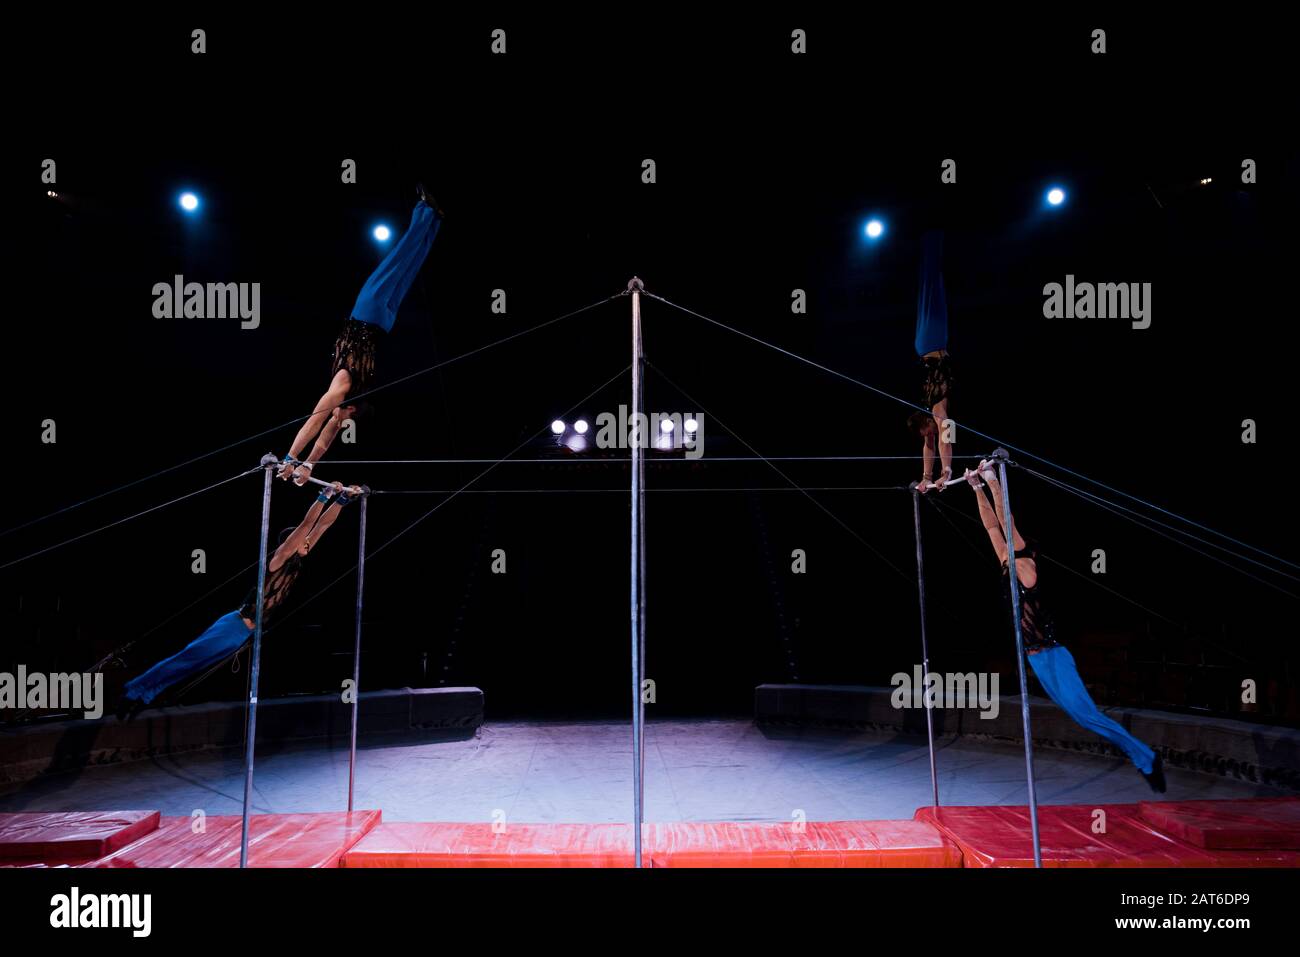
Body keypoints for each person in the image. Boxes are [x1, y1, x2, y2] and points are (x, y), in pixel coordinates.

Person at [964, 461, 1167, 793]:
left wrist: (991, 481)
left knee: (1088, 716)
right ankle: (1144, 757)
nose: (1004, 547)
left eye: (1012, 545)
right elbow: (990, 527)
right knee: (1080, 717)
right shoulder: (1007, 563)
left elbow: (1004, 520)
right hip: (1035, 658)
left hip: (1053, 656)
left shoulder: (1026, 568)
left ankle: (1146, 758)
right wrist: (974, 488)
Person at [116, 482, 363, 718]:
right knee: (186, 658)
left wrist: (342, 500)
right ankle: (132, 691)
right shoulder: (279, 559)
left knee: (193, 666)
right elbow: (308, 524)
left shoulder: (299, 560)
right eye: (303, 540)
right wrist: (324, 495)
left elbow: (322, 526)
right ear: (292, 543)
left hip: (245, 633)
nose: (309, 541)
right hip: (234, 624)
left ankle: (145, 695)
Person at [279, 186, 443, 485]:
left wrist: (308, 466)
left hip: (384, 322)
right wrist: (290, 458)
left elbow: (324, 439)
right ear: (351, 409)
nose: (339, 423)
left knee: (409, 269)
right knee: (397, 261)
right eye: (345, 420)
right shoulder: (342, 390)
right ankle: (424, 211)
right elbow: (314, 423)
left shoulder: (354, 395)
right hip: (367, 315)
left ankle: (433, 222)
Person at [910, 230, 954, 492]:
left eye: (927, 433)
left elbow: (946, 430)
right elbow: (931, 444)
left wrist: (946, 471)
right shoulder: (933, 417)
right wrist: (928, 476)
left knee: (931, 285)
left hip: (931, 342)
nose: (929, 438)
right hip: (929, 344)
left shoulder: (936, 411)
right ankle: (932, 241)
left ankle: (932, 239)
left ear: (925, 423)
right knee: (931, 285)